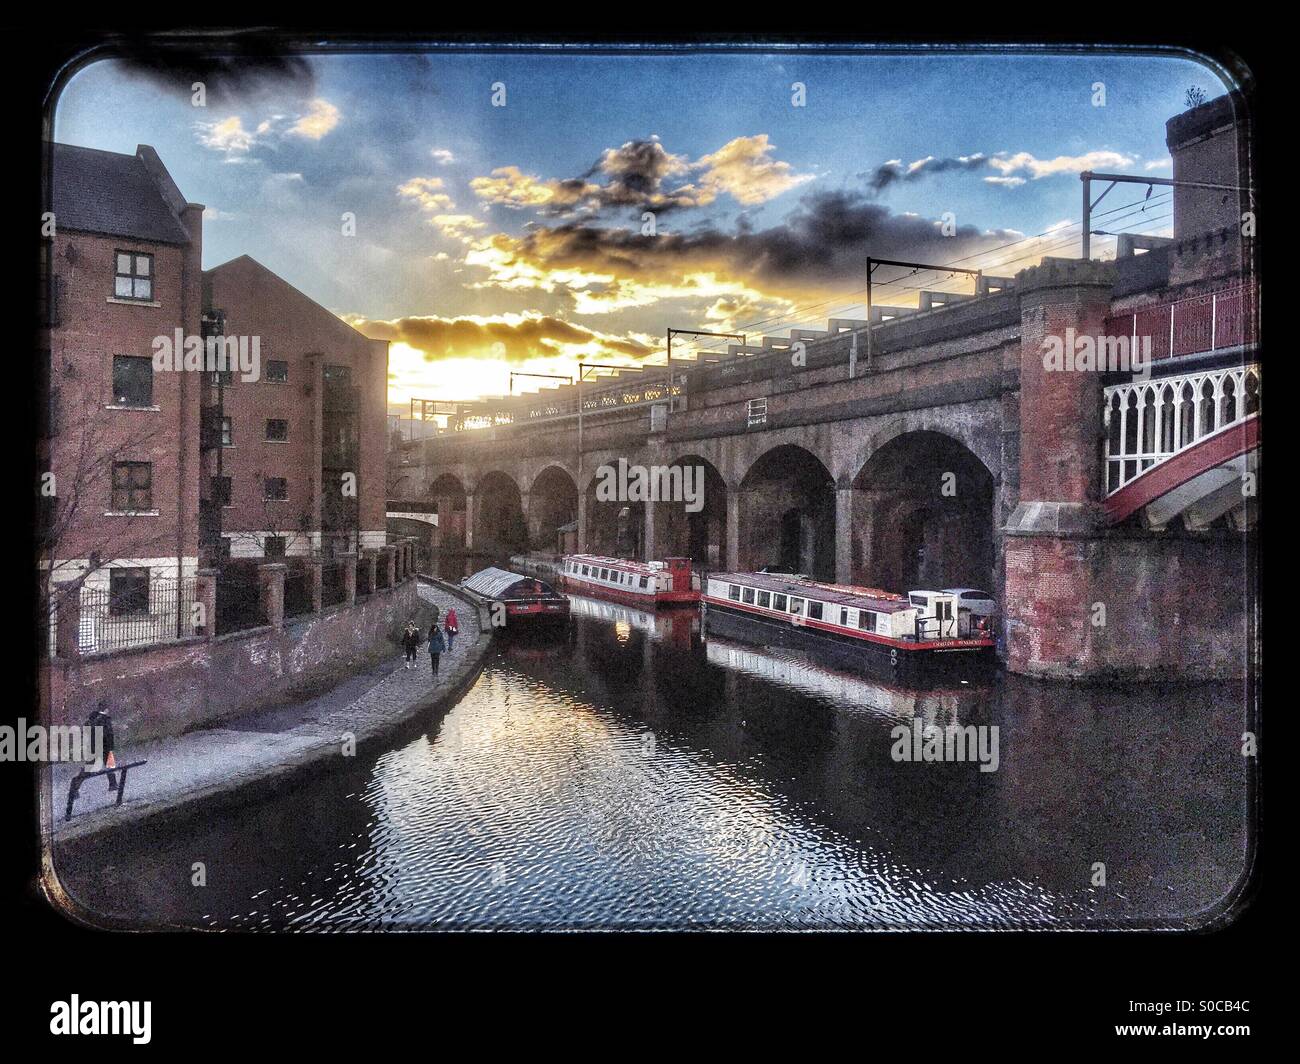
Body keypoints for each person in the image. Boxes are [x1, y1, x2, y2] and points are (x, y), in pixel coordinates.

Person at [84, 699, 117, 792]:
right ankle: (113, 785)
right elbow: (107, 733)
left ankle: (113, 784)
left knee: (108, 766)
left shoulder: (96, 718)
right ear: (106, 709)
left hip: (99, 747)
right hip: (102, 746)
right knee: (108, 766)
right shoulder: (102, 719)